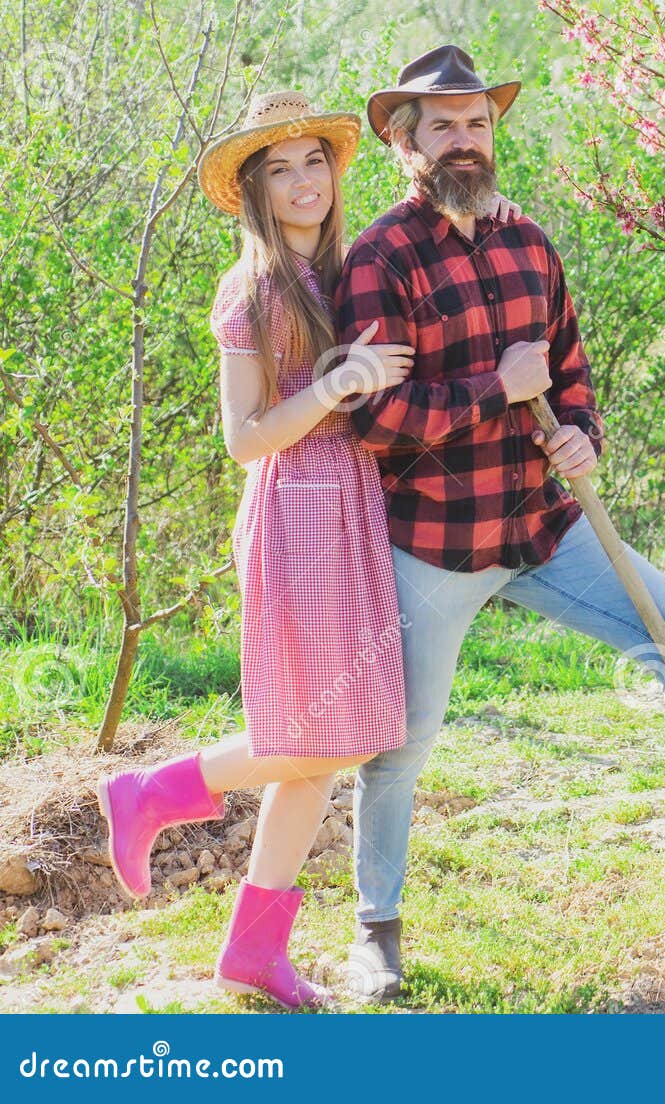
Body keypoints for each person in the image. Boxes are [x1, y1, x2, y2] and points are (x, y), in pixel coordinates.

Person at [334, 45, 665, 1002]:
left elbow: (571, 372)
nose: (466, 141)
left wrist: (581, 435)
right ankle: (376, 929)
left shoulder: (527, 243)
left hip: (546, 525)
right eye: (444, 126)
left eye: (479, 124)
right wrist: (490, 391)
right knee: (405, 743)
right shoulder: (381, 258)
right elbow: (373, 421)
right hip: (436, 541)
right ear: (404, 142)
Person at [93, 92, 523, 1009]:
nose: (304, 182)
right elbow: (244, 439)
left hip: (355, 506)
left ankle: (251, 950)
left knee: (329, 744)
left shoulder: (347, 262)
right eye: (280, 169)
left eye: (315, 162)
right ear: (253, 189)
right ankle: (156, 791)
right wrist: (339, 384)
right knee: (319, 734)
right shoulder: (252, 288)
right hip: (296, 511)